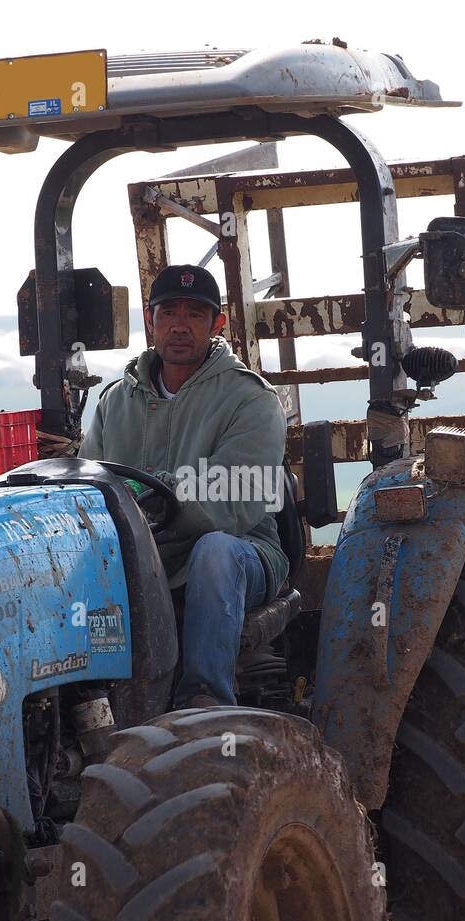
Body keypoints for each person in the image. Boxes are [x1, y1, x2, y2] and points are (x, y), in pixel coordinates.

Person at [79, 264, 288, 709]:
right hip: (140, 556)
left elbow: (239, 497)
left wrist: (149, 497)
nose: (179, 324)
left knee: (214, 550)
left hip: (240, 552)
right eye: (168, 311)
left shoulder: (251, 399)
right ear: (149, 320)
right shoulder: (115, 400)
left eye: (195, 314)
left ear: (217, 325)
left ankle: (204, 700)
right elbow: (88, 483)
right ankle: (87, 706)